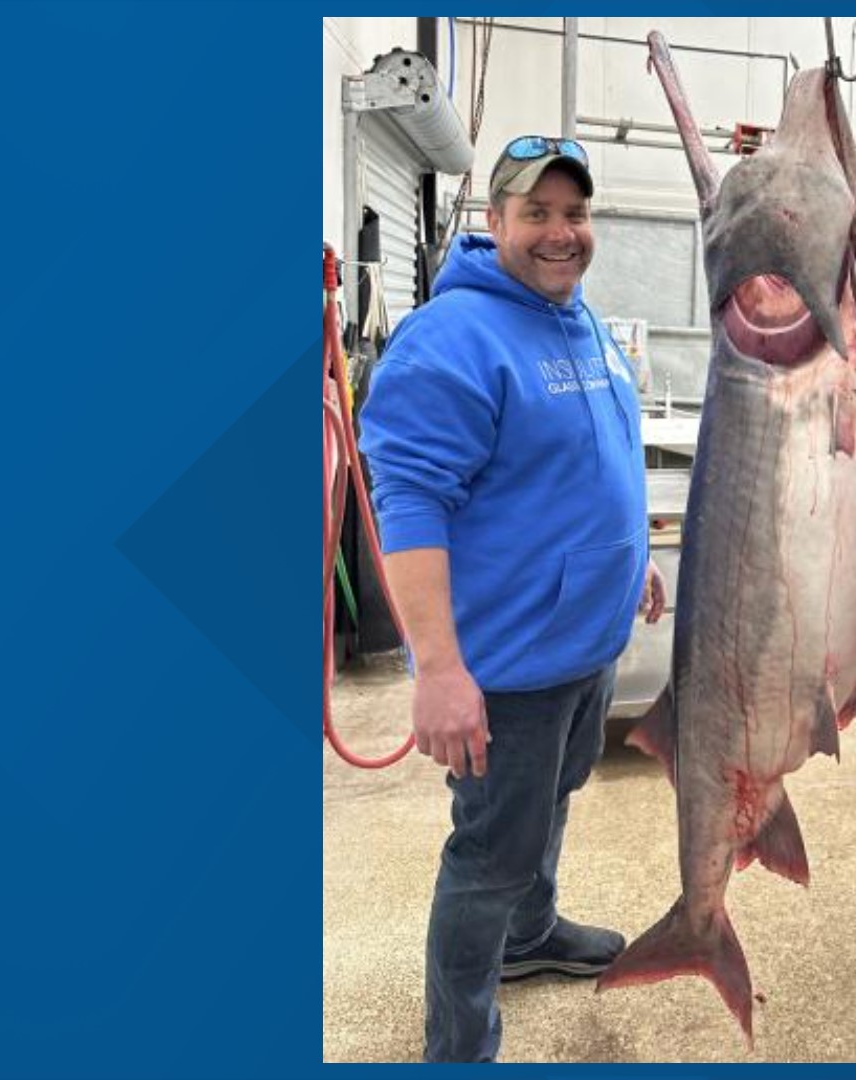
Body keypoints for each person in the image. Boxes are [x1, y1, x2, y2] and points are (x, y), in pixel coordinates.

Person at [357, 135, 667, 1063]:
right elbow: (409, 505)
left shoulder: (583, 322)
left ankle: (530, 940)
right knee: (489, 855)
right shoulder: (451, 340)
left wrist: (630, 558)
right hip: (510, 668)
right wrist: (440, 670)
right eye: (536, 213)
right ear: (494, 224)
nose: (561, 232)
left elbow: (587, 465)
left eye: (574, 214)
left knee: (551, 806)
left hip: (585, 643)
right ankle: (459, 1045)